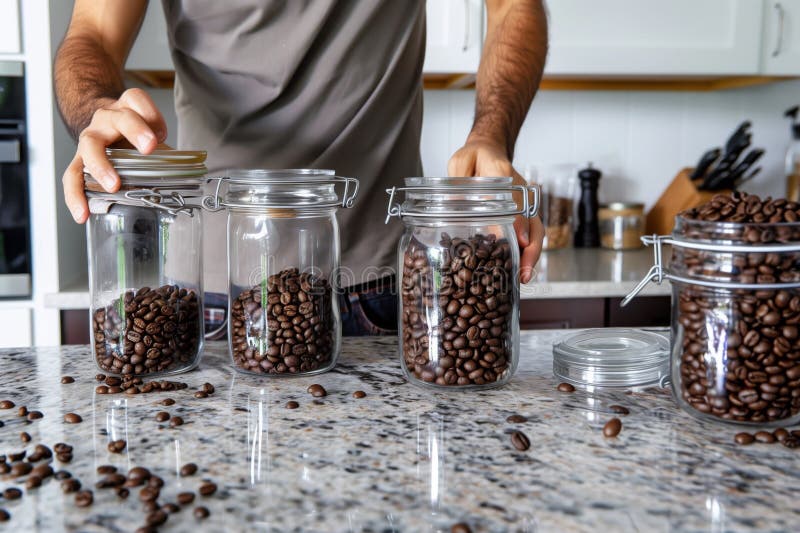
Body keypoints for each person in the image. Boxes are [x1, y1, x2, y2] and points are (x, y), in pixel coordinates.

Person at [54, 0, 548, 336]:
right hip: (215, 289)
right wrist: (94, 108)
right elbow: (93, 32)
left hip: (379, 282)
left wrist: (491, 134)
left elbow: (512, 6)